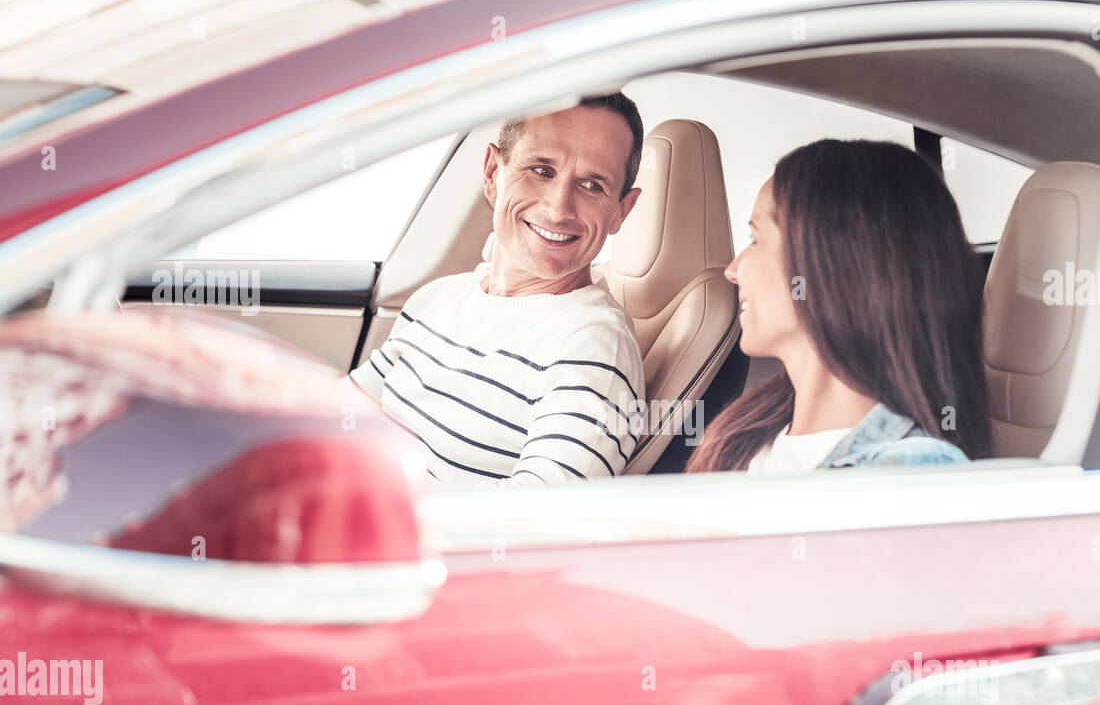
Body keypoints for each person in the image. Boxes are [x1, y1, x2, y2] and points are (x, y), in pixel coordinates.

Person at [350, 94, 646, 487]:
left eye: (592, 185)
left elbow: (532, 526)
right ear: (492, 173)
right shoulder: (437, 299)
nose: (559, 208)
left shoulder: (594, 348)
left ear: (621, 211)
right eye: (541, 170)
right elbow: (340, 411)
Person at [685, 138, 991, 477]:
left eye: (756, 240)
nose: (732, 269)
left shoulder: (909, 469)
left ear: (832, 265)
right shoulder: (743, 436)